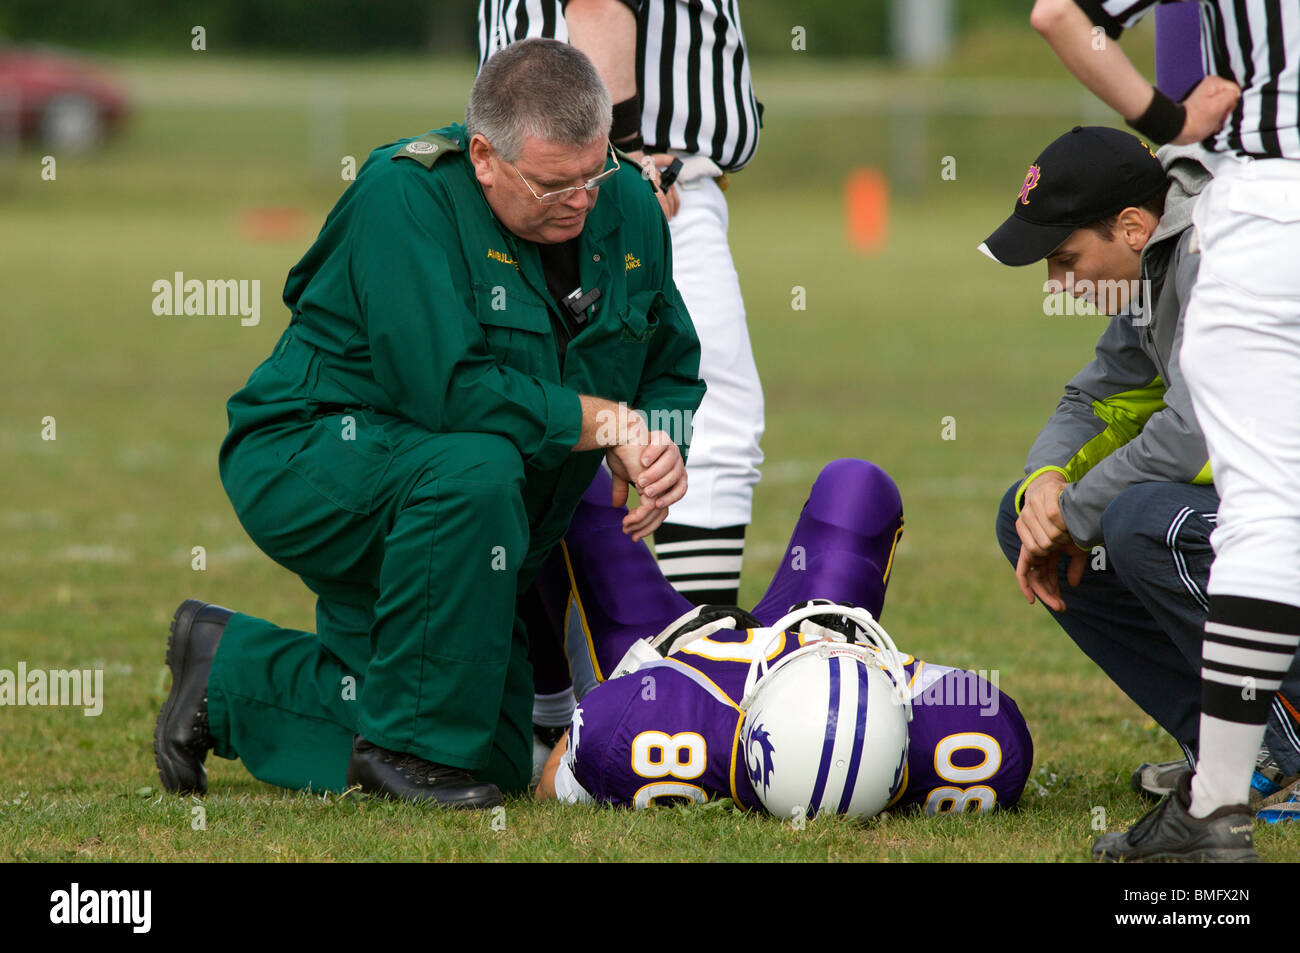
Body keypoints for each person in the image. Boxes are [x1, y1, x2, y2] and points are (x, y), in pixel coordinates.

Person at [152, 39, 706, 809]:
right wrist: (605, 422)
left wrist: (663, 442)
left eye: (594, 172)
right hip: (312, 457)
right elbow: (451, 392)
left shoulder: (628, 206)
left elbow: (674, 363)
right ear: (483, 156)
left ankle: (230, 674)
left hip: (466, 519)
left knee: (496, 755)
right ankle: (413, 752)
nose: (581, 200)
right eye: (553, 184)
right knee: (475, 468)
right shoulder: (402, 195)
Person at [1032, 0, 1300, 861]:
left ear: (1135, 225)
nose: (1059, 284)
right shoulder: (1153, 265)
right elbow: (1095, 388)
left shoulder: (1206, 238)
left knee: (1148, 519)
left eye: (1065, 259)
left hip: (1270, 194)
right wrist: (1044, 485)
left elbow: (1059, 13)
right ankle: (1239, 753)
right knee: (1044, 517)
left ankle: (1234, 785)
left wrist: (1171, 118)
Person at [526, 460, 1034, 814]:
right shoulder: (975, 741)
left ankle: (542, 709)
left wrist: (572, 731)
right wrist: (856, 660)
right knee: (858, 484)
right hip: (819, 623)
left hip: (674, 653)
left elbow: (555, 784)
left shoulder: (658, 722)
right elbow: (981, 710)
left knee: (570, 480)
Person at [479, 0, 766, 606]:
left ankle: (552, 684)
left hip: (541, 179)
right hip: (635, 179)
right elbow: (597, 4)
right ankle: (699, 656)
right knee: (713, 419)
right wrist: (623, 156)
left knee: (543, 397)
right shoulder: (606, 182)